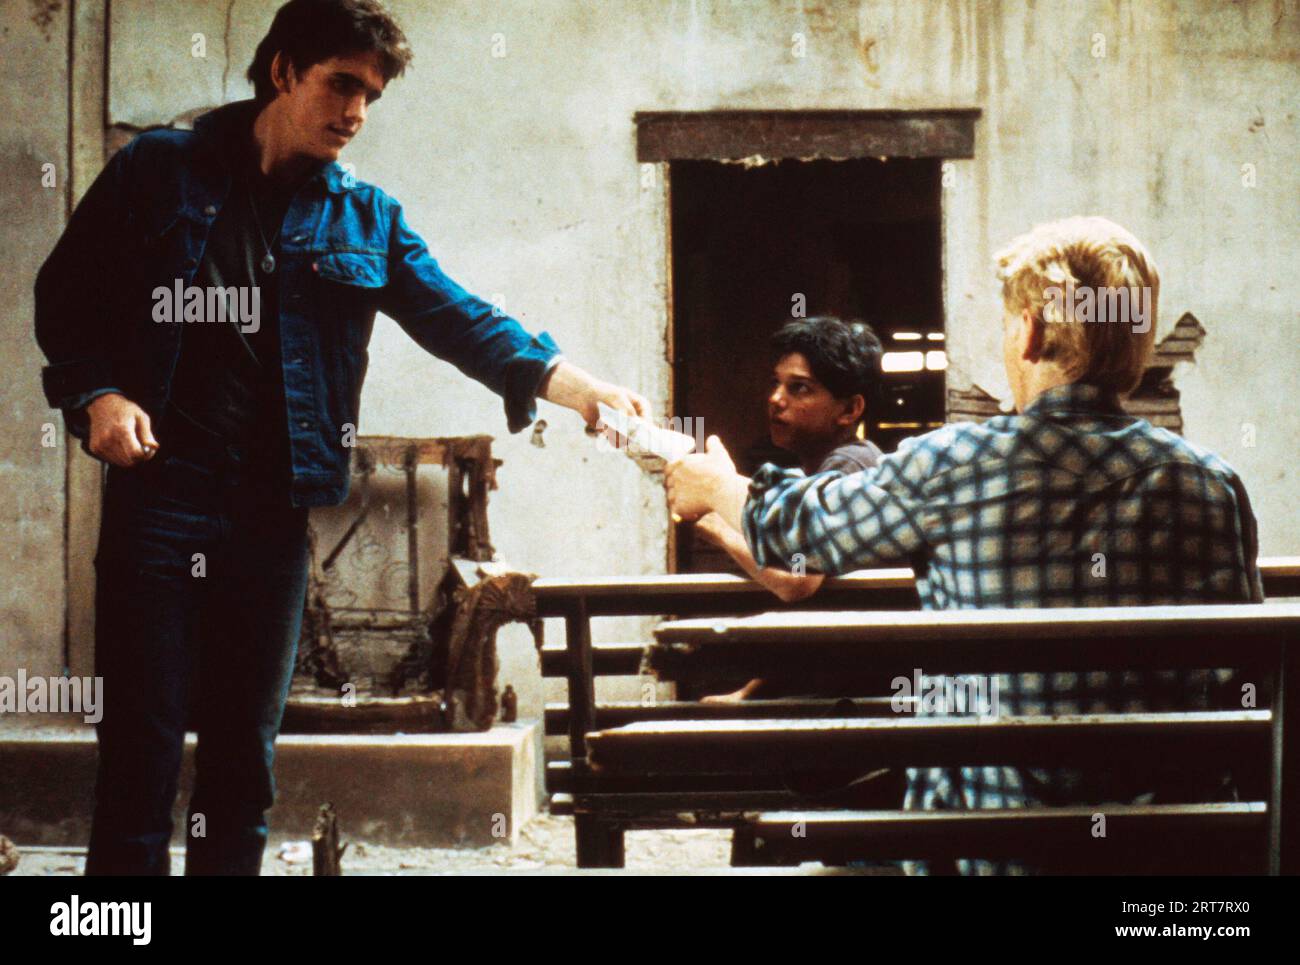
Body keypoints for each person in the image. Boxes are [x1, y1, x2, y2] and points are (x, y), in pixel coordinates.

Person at [34, 0, 647, 876]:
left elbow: (462, 319)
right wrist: (99, 393)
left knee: (245, 761)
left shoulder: (365, 217)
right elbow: (66, 293)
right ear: (284, 71)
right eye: (342, 84)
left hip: (273, 513)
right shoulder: (158, 170)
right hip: (161, 500)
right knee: (140, 749)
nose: (356, 111)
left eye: (371, 96)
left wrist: (576, 388)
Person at [665, 215, 1263, 874]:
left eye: (1009, 324)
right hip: (1169, 878)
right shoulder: (1211, 483)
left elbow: (797, 533)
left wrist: (718, 485)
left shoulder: (957, 463)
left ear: (1031, 331)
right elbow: (1243, 683)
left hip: (989, 854)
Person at [694, 316, 883, 702]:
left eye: (799, 388)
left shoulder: (850, 466)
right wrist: (749, 693)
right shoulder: (821, 470)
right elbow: (821, 605)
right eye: (775, 383)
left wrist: (714, 523)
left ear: (849, 410)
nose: (776, 399)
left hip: (863, 693)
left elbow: (797, 580)